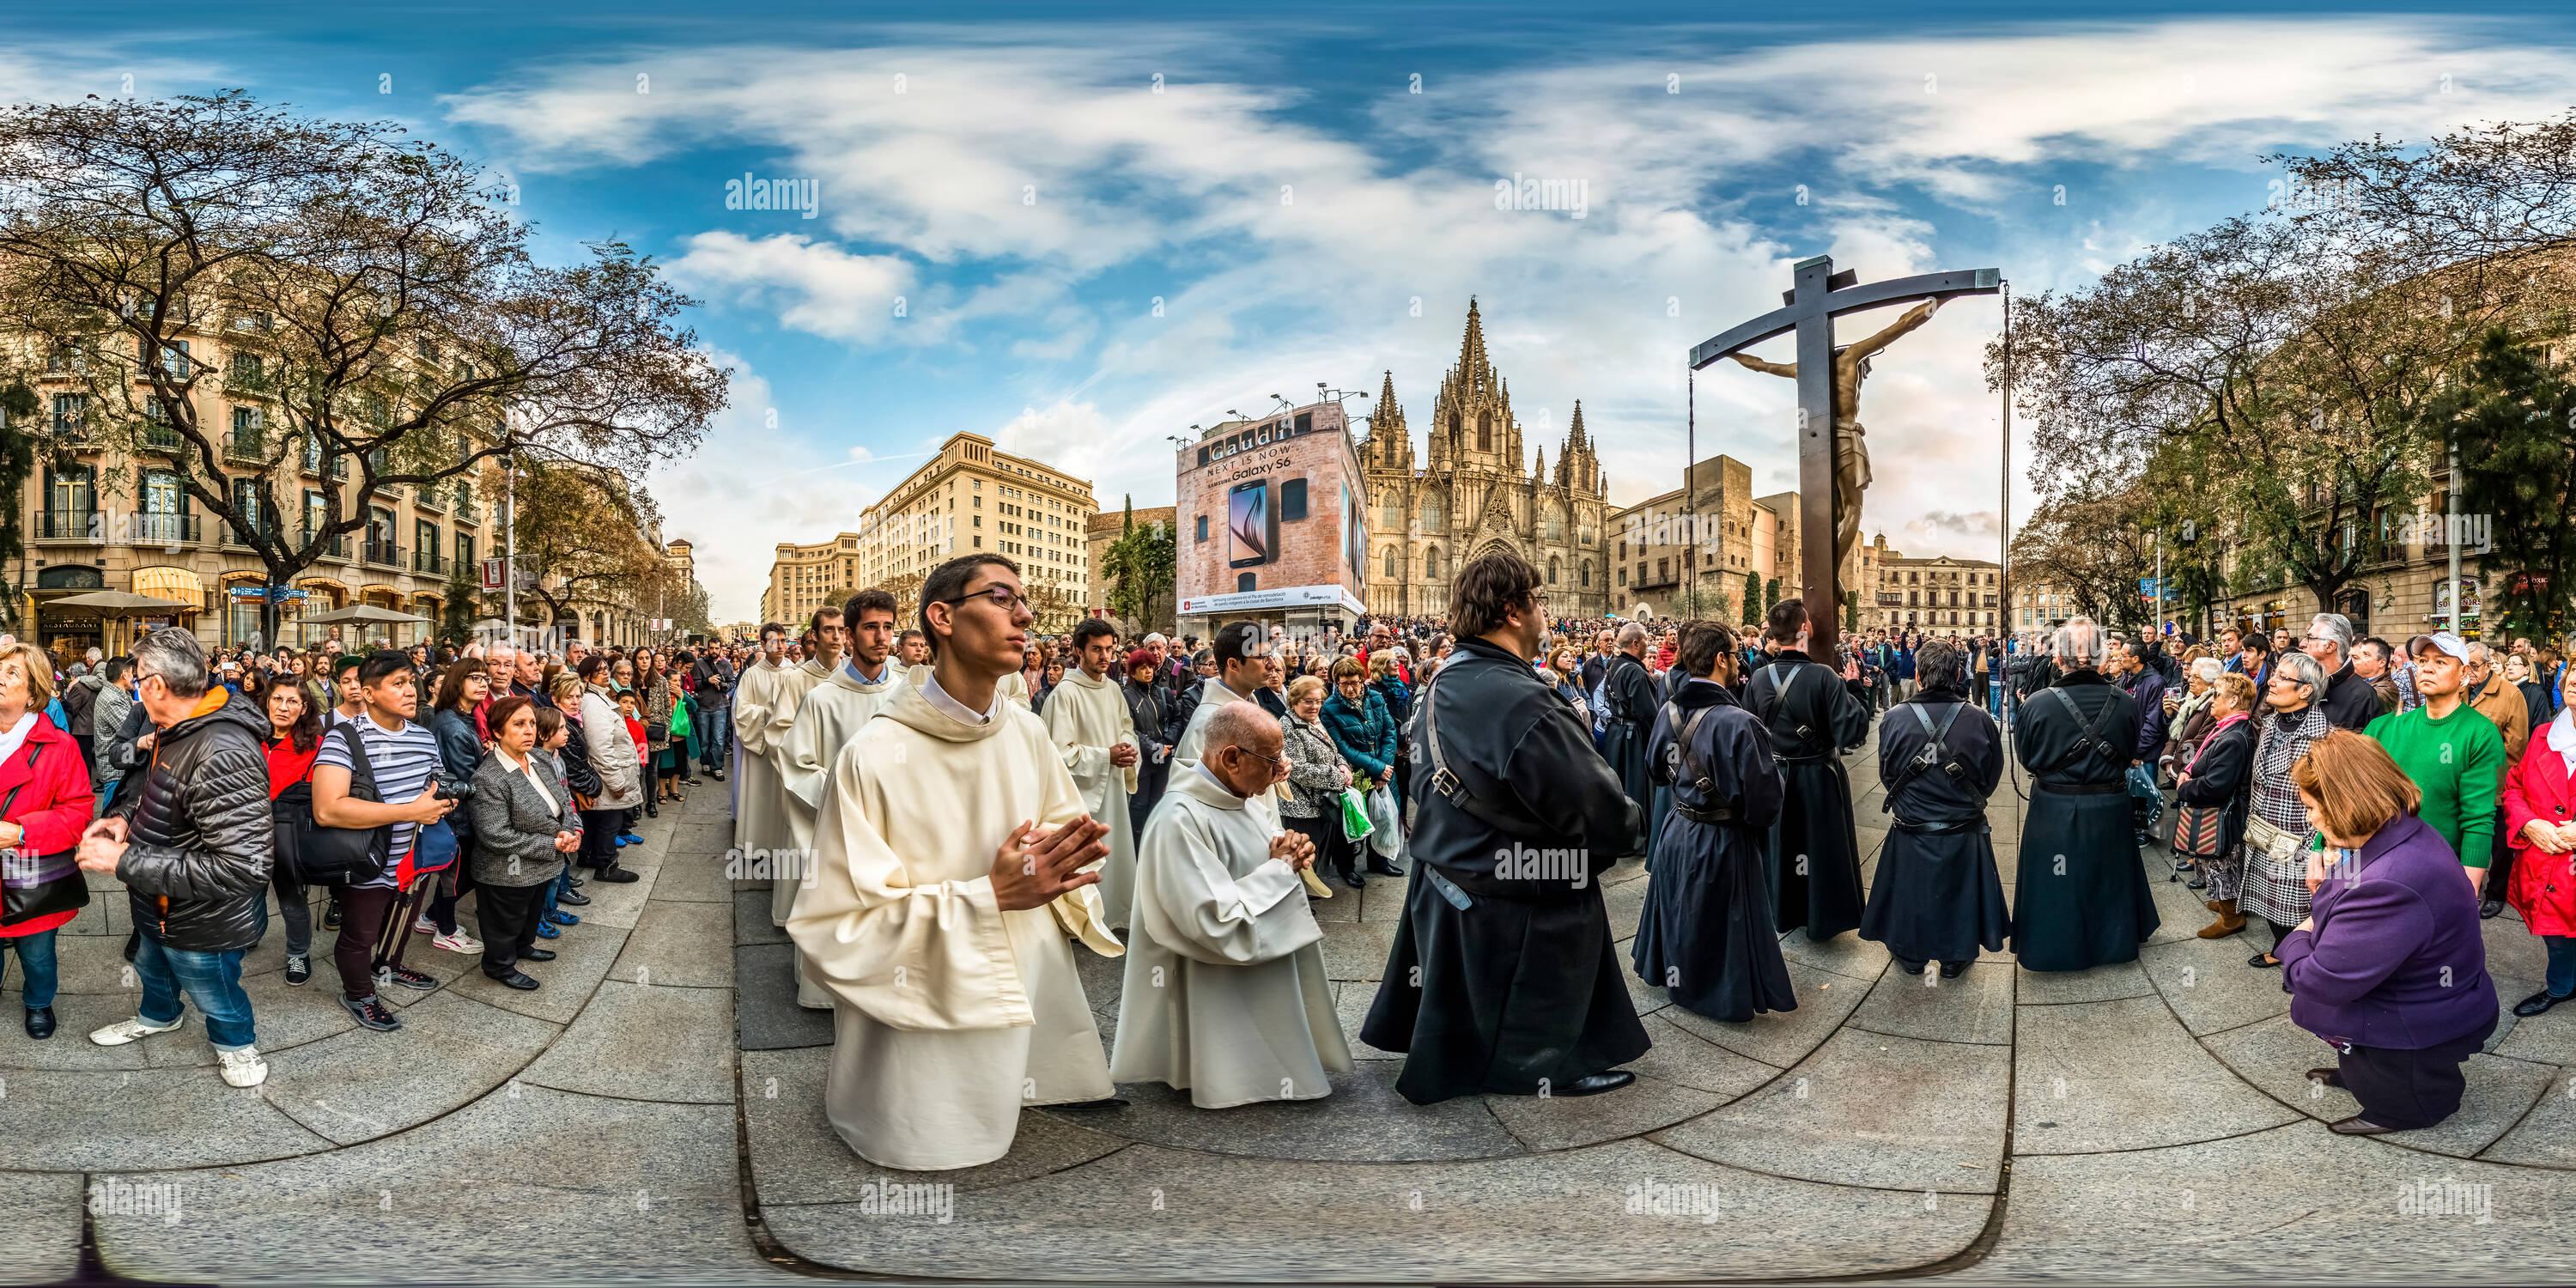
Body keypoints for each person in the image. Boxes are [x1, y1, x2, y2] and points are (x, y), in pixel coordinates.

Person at [785, 554, 1120, 1170]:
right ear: (941, 616)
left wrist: (1056, 861)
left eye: (1024, 602)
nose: (1025, 615)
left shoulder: (1027, 732)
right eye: (1001, 598)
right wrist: (985, 896)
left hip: (1016, 977)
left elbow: (1057, 819)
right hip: (913, 1042)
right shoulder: (872, 755)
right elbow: (839, 920)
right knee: (928, 1134)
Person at [1362, 550, 1647, 1104]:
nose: (1544, 613)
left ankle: (1464, 1049)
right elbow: (1597, 806)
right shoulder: (1521, 697)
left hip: (1447, 868)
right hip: (1512, 884)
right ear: (1514, 612)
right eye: (1537, 602)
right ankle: (1546, 1062)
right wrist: (1630, 828)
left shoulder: (1441, 683)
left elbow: (1419, 774)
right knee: (1572, 895)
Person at [1111, 702, 1347, 1106]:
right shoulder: (1179, 819)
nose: (1280, 770)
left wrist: (1295, 849)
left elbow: (1270, 852)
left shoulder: (1239, 798)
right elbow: (1211, 919)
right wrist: (1281, 869)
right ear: (1232, 758)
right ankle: (1224, 1075)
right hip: (1208, 978)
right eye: (1272, 760)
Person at [75, 629, 275, 1085]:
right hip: (159, 900)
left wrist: (123, 861)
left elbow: (244, 867)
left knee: (214, 986)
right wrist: (125, 817)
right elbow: (159, 792)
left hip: (202, 916)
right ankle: (159, 1016)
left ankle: (237, 1046)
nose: (134, 684)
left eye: (139, 677)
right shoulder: (175, 727)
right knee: (151, 965)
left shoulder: (222, 749)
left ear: (158, 686)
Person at [2275, 731, 2497, 1135]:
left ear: (2347, 802)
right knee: (2367, 1060)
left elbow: (2322, 980)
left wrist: (2293, 938)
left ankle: (2404, 1110)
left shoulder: (2390, 881)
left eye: (2313, 807)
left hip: (2416, 1019)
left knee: (2402, 1082)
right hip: (2429, 992)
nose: (2310, 819)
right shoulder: (2399, 829)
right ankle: (2363, 1066)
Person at [1631, 622, 1790, 1021]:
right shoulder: (1739, 722)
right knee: (1721, 916)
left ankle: (1678, 977)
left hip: (1678, 829)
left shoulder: (1668, 712)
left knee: (1681, 906)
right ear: (1721, 660)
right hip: (1722, 835)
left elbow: (1654, 769)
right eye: (1736, 654)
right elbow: (1765, 801)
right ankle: (1716, 992)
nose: (1740, 662)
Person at [313, 650, 462, 1029]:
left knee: (401, 923)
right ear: (369, 693)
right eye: (398, 683)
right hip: (366, 861)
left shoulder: (423, 737)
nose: (411, 691)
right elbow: (327, 810)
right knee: (361, 935)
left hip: (414, 858)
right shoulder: (342, 739)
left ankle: (389, 965)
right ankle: (359, 992)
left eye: (411, 682)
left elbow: (437, 782)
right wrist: (409, 811)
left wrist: (446, 798)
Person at [2010, 617, 2160, 971]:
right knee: (2107, 876)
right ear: (2102, 659)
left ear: (2058, 660)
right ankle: (2111, 942)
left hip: (2054, 806)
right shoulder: (2125, 702)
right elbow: (2131, 751)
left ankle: (2053, 946)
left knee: (2055, 879)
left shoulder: (2036, 704)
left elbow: (2027, 758)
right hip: (2108, 804)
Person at [1859, 638, 2007, 978]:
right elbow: (1990, 776)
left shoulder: (1894, 718)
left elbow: (1887, 772)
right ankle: (1955, 957)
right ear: (1957, 674)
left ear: (1920, 678)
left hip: (1913, 824)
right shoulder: (1981, 718)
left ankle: (1911, 956)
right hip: (1962, 825)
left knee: (1911, 890)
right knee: (1959, 892)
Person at [775, 592, 907, 972]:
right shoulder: (821, 699)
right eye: (870, 628)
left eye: (887, 627)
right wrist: (850, 798)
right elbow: (797, 765)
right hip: (841, 822)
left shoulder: (907, 694)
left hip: (895, 825)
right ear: (850, 636)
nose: (881, 637)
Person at [1745, 598, 1872, 942]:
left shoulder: (1758, 679)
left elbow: (1750, 734)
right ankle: (1822, 916)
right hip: (1817, 777)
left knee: (1783, 846)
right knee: (1820, 846)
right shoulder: (1825, 677)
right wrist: (1856, 688)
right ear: (1805, 629)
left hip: (1777, 776)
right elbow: (1854, 731)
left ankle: (1783, 910)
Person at [0, 642, 95, 1039]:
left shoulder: (60, 746)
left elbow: (78, 813)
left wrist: (21, 831)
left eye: (11, 674)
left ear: (34, 690)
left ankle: (39, 1002)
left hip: (29, 869)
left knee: (37, 954)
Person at [469, 696, 580, 991]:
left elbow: (564, 802)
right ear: (497, 732)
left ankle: (523, 947)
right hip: (507, 869)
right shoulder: (489, 777)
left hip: (544, 863)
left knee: (531, 914)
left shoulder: (540, 759)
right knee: (505, 921)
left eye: (531, 722)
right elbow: (495, 834)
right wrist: (552, 845)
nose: (529, 730)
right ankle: (499, 966)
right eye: (519, 724)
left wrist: (573, 832)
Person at [1041, 618, 1143, 924]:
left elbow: (1127, 728)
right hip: (1084, 798)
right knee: (1086, 859)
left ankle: (1115, 914)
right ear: (1078, 651)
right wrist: (1104, 756)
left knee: (1114, 854)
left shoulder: (1113, 689)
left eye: (1110, 649)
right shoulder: (1065, 694)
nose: (1105, 657)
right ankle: (1085, 922)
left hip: (1111, 787)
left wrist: (1125, 748)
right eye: (1096, 649)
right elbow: (1057, 754)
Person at [2240, 650, 2336, 970]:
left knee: (2297, 910)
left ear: (2305, 690)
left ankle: (2302, 962)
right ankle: (2281, 949)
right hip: (2263, 833)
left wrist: (2316, 850)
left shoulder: (2323, 737)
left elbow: (2329, 802)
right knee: (2269, 905)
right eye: (2276, 674)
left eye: (2282, 677)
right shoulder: (2270, 723)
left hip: (2298, 840)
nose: (2272, 680)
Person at [2504, 659, 2576, 1018]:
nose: (2575, 677)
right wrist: (2529, 823)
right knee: (2557, 936)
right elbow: (2514, 786)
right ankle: (2562, 986)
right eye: (2575, 668)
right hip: (2545, 861)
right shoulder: (2543, 735)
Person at [248, 671, 323, 985]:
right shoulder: (248, 737)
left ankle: (298, 953)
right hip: (246, 835)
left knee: (291, 900)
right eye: (277, 699)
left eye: (293, 701)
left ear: (304, 708)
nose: (283, 706)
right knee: (246, 895)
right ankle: (249, 934)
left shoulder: (314, 745)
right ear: (267, 702)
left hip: (287, 836)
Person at [2173, 673, 2258, 934]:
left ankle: (2231, 917)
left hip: (2225, 813)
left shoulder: (2233, 737)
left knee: (2223, 862)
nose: (2211, 700)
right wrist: (2189, 771)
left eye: (2217, 695)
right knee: (2220, 863)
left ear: (2233, 701)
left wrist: (2184, 786)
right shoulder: (2229, 727)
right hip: (2224, 811)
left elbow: (2216, 785)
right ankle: (2228, 904)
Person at [420, 660, 491, 956]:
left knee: (460, 873)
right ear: (457, 682)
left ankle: (432, 916)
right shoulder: (452, 725)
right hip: (457, 815)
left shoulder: (461, 718)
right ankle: (446, 930)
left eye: (484, 678)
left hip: (456, 813)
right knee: (459, 874)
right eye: (475, 678)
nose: (483, 683)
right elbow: (466, 779)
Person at [730, 624, 809, 878]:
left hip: (788, 745)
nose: (781, 646)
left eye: (784, 641)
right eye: (775, 641)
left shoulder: (796, 673)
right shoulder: (752, 675)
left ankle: (782, 846)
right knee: (760, 796)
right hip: (761, 747)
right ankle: (756, 846)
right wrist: (770, 714)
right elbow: (741, 712)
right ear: (764, 645)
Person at [2465, 641, 2535, 919]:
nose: (2469, 671)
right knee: (2468, 839)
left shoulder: (2510, 695)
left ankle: (2496, 893)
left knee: (2500, 845)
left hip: (2495, 783)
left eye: (2474, 666)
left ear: (2487, 665)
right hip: (2463, 783)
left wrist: (2475, 757)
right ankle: (2467, 887)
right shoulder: (2459, 692)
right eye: (2464, 665)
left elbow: (2517, 745)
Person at [1321, 657, 1404, 877]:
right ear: (1336, 682)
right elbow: (1341, 747)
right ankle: (1346, 868)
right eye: (1344, 683)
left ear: (1362, 680)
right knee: (1353, 822)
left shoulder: (1375, 697)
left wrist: (1383, 769)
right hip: (1354, 774)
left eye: (1355, 683)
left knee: (1383, 818)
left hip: (1384, 772)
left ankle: (1379, 861)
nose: (1350, 688)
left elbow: (1389, 732)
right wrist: (1376, 768)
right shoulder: (1329, 708)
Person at [1279, 675, 1358, 889]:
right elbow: (1297, 769)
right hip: (1301, 807)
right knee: (1298, 857)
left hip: (1319, 803)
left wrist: (1343, 765)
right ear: (1294, 700)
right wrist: (1337, 776)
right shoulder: (1288, 726)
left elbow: (1332, 750)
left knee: (1313, 857)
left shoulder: (1313, 720)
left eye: (1318, 701)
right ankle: (1296, 898)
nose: (1314, 706)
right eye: (1308, 701)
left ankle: (1308, 892)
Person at [577, 655, 646, 883]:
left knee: (599, 819)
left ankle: (589, 856)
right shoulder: (593, 703)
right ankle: (606, 865)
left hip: (609, 773)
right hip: (607, 775)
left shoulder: (599, 698)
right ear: (587, 676)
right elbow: (600, 747)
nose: (606, 673)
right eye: (600, 670)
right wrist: (616, 782)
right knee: (610, 821)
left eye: (606, 668)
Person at [1597, 623, 1658, 858]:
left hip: (1616, 733)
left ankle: (1619, 836)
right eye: (1645, 640)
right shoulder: (1636, 671)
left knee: (1619, 786)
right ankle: (1637, 840)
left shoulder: (1615, 664)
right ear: (1636, 643)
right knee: (1635, 788)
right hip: (1632, 737)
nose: (1647, 643)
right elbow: (1648, 713)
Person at [1121, 649, 1171, 841]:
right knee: (1138, 809)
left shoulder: (1162, 693)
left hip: (1163, 758)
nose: (1148, 671)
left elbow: (1175, 720)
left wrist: (1167, 743)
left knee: (1157, 806)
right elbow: (1130, 729)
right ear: (1132, 672)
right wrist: (1154, 748)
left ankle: (1154, 847)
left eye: (1150, 667)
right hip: (1143, 760)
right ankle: (1136, 854)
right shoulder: (1126, 696)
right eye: (1143, 668)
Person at [691, 644, 735, 781]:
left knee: (718, 739)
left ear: (720, 649)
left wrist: (725, 686)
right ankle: (705, 763)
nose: (714, 651)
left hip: (720, 707)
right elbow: (694, 683)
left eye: (717, 648)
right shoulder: (699, 664)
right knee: (704, 739)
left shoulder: (726, 665)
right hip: (703, 706)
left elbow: (732, 682)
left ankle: (717, 767)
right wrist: (707, 681)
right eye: (711, 648)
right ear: (707, 649)